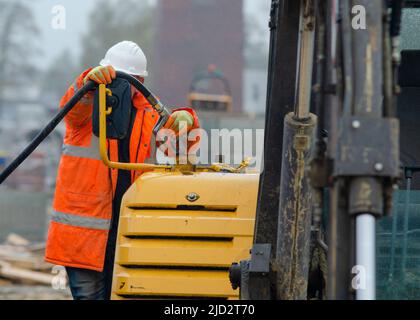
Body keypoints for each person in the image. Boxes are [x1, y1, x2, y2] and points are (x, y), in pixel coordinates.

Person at [44, 41, 200, 300]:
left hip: (131, 236)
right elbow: (72, 109)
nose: (123, 84)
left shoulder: (151, 116)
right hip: (85, 238)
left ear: (140, 80)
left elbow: (184, 150)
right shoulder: (87, 109)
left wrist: (188, 119)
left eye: (131, 78)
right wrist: (87, 82)